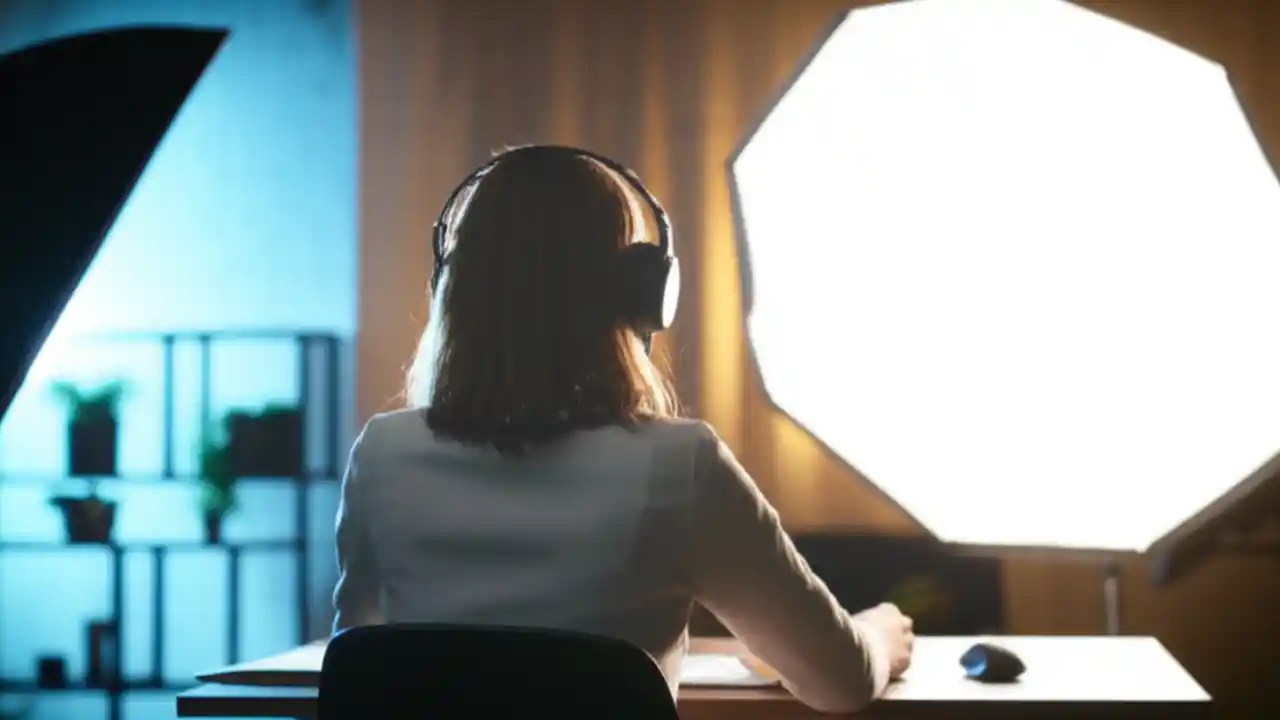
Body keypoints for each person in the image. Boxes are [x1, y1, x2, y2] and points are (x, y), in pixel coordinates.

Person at [331, 145, 913, 713]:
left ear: (450, 288)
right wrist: (881, 633)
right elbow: (840, 683)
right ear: (645, 294)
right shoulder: (680, 465)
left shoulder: (383, 454)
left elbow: (362, 659)